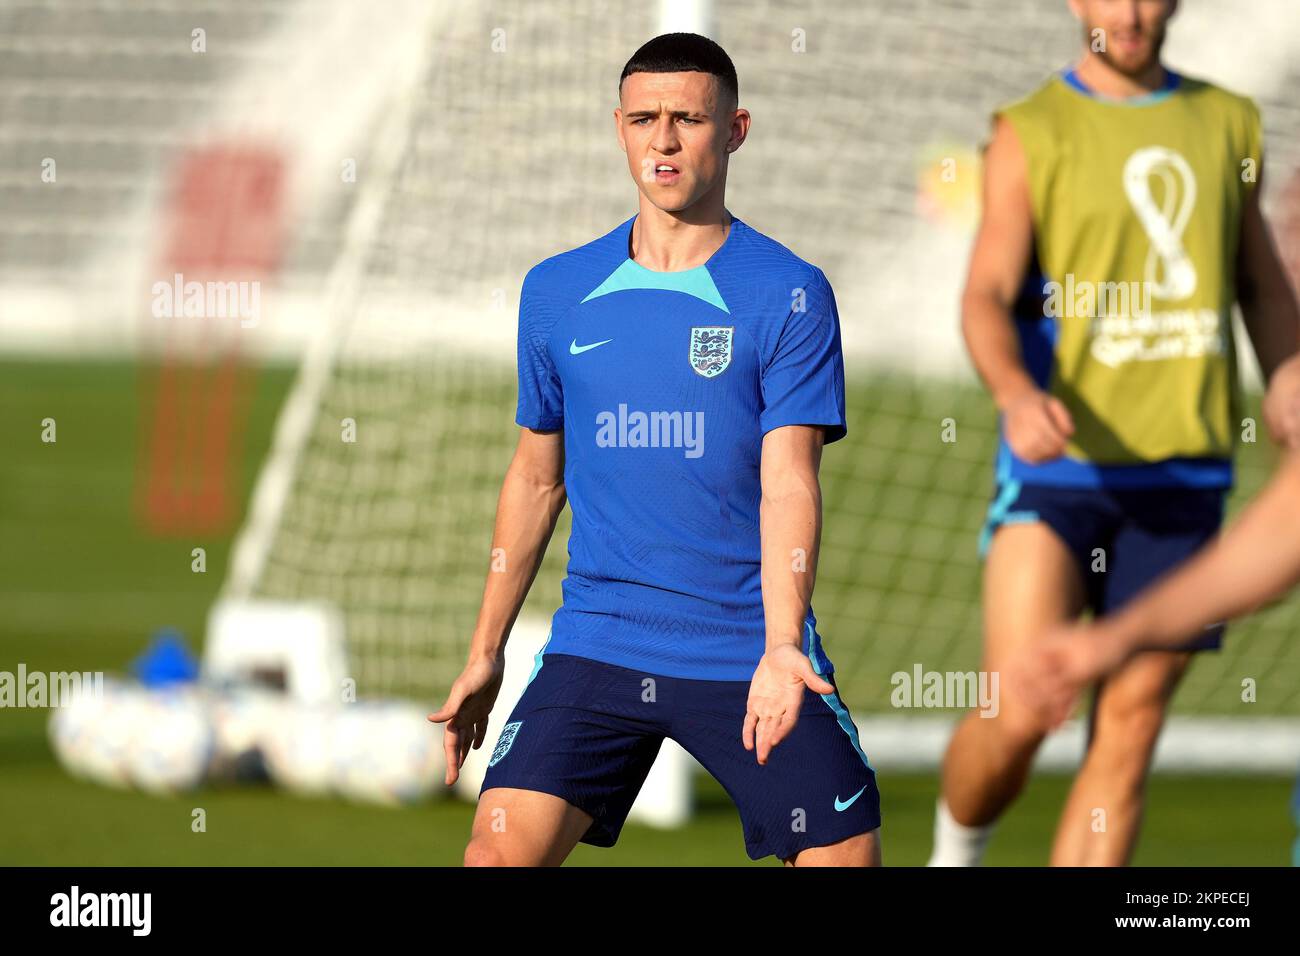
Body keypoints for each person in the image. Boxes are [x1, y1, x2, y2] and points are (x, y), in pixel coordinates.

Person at [430, 32, 880, 866]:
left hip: (742, 642)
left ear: (736, 129)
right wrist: (484, 653)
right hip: (599, 641)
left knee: (844, 863)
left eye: (687, 119)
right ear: (619, 128)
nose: (663, 141)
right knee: (493, 856)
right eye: (644, 119)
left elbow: (790, 483)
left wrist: (782, 645)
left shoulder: (789, 293)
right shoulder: (557, 291)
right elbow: (535, 481)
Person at [929, 0, 1300, 866]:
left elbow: (1262, 282)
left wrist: (1286, 370)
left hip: (1185, 483)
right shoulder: (1030, 129)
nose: (1129, 13)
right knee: (1019, 708)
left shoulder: (1228, 121)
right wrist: (1017, 393)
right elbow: (985, 294)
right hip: (1060, 478)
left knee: (1128, 730)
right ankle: (955, 852)